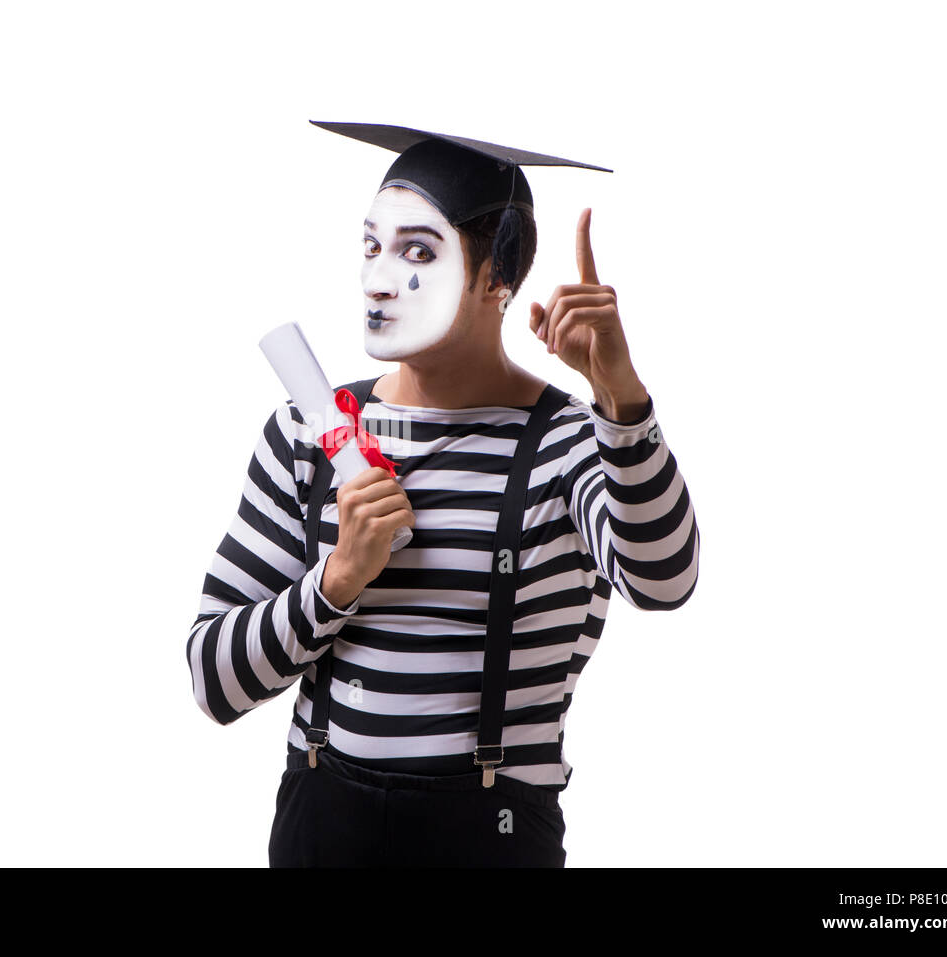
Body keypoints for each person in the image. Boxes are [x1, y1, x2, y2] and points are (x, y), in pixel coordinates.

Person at [185, 122, 700, 867]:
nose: (380, 279)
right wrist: (334, 583)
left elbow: (664, 580)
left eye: (418, 251)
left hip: (490, 837)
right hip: (323, 823)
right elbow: (212, 679)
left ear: (499, 275)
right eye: (372, 246)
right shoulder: (305, 431)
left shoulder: (572, 440)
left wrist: (621, 398)